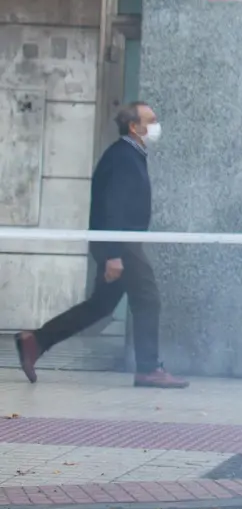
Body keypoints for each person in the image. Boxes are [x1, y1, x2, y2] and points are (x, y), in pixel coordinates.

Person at [14, 102, 189, 389]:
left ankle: (35, 341)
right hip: (122, 243)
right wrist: (113, 255)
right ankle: (148, 369)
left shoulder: (131, 155)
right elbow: (113, 208)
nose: (156, 126)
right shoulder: (123, 157)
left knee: (101, 306)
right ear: (134, 127)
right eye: (151, 120)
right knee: (147, 298)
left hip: (120, 242)